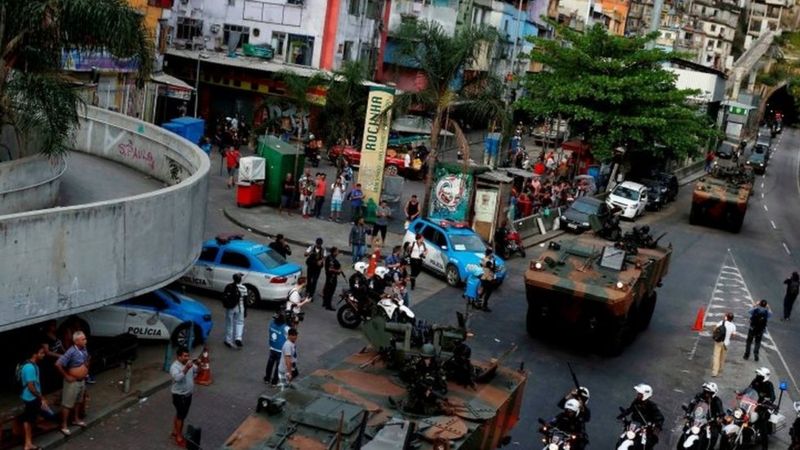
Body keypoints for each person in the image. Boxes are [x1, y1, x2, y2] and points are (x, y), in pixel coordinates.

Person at [55, 331, 91, 436]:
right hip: (72, 382)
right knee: (67, 404)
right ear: (76, 341)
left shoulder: (84, 349)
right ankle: (64, 425)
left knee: (78, 401)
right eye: (83, 339)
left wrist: (85, 370)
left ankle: (76, 419)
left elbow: (85, 361)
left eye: (85, 338)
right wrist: (66, 376)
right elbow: (58, 364)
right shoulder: (70, 352)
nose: (85, 340)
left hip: (81, 381)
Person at [20, 342, 52, 450]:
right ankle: (28, 444)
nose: (43, 355)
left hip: (31, 397)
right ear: (35, 354)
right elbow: (31, 386)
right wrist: (41, 397)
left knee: (30, 418)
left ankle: (28, 442)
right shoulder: (30, 367)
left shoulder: (31, 365)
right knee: (29, 420)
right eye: (41, 353)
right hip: (31, 398)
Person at [617, 384, 664, 449]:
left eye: (640, 394)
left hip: (645, 427)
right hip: (633, 425)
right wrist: (623, 414)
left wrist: (656, 427)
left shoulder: (652, 406)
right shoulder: (636, 402)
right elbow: (630, 409)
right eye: (638, 394)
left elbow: (660, 418)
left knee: (647, 444)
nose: (638, 395)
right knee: (622, 438)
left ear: (645, 395)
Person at [743, 367, 776, 450]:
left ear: (765, 376)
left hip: (763, 407)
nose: (758, 376)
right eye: (758, 374)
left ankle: (765, 447)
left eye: (760, 375)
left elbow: (773, 396)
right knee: (741, 414)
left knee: (762, 426)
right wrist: (741, 393)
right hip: (752, 403)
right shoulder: (755, 381)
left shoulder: (769, 385)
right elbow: (748, 389)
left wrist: (769, 402)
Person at [169, 346, 196, 447]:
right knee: (181, 416)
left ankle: (175, 431)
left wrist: (199, 365)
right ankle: (179, 436)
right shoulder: (174, 367)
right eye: (185, 356)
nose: (187, 358)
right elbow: (177, 378)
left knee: (181, 414)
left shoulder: (188, 364)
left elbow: (196, 371)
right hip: (179, 396)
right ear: (179, 357)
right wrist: (186, 369)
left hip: (188, 395)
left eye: (188, 355)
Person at [685, 381, 725, 449]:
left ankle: (709, 447)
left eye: (709, 393)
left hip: (710, 422)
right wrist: (688, 413)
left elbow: (721, 413)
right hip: (697, 419)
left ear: (713, 393)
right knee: (686, 427)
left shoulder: (717, 401)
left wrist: (719, 419)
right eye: (705, 391)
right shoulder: (699, 396)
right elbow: (692, 404)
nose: (706, 394)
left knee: (713, 434)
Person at [222, 273, 248, 348]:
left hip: (230, 308)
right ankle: (238, 338)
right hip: (240, 307)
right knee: (240, 323)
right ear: (240, 280)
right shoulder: (244, 288)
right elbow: (245, 300)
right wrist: (245, 311)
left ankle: (228, 340)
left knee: (229, 323)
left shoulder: (229, 286)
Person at [264, 312, 290, 386]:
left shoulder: (272, 324)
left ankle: (267, 378)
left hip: (272, 348)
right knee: (278, 366)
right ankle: (274, 381)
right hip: (281, 350)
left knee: (270, 363)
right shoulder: (285, 328)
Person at [711, 312, 736, 377]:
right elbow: (733, 335)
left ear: (726, 317)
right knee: (723, 357)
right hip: (726, 344)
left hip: (719, 342)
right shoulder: (733, 326)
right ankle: (720, 369)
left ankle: (715, 372)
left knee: (716, 357)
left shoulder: (722, 322)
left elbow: (714, 329)